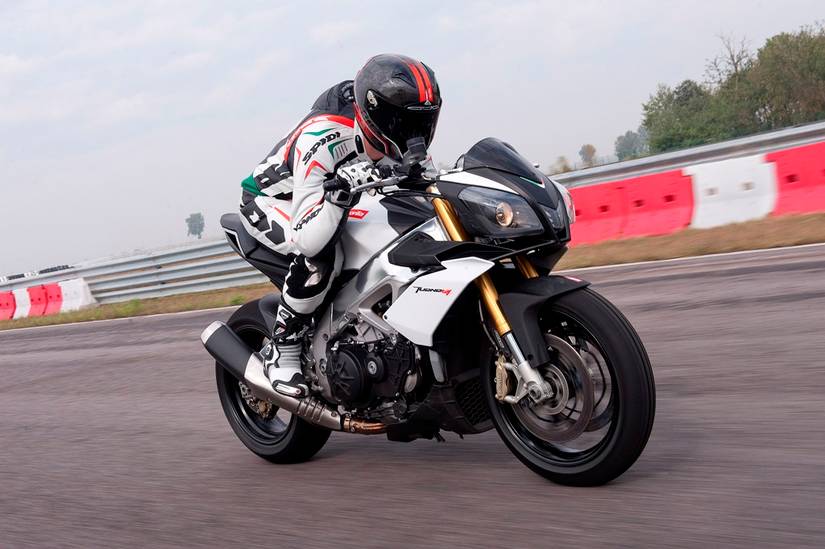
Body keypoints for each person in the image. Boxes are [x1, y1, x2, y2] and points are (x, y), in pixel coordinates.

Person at [238, 54, 442, 397]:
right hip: (274, 200)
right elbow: (307, 237)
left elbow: (426, 185)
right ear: (379, 116)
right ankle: (283, 350)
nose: (416, 132)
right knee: (324, 252)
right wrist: (337, 197)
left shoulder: (401, 138)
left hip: (336, 194)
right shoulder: (324, 138)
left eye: (424, 121)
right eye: (406, 122)